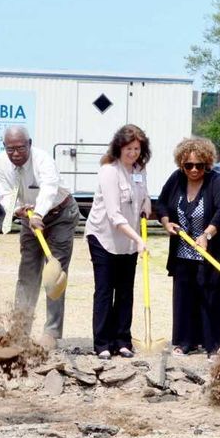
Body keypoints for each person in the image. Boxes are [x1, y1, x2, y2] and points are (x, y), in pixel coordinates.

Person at [0, 125, 79, 348]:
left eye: (20, 148)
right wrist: (16, 211)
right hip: (28, 216)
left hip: (60, 214)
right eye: (10, 149)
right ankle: (20, 330)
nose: (15, 153)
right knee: (27, 273)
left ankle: (51, 332)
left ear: (29, 144)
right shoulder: (2, 163)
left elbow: (49, 188)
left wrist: (39, 213)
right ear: (4, 147)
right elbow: (6, 194)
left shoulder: (43, 160)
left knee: (55, 274)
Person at [158, 137, 220, 356]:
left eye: (199, 165)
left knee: (211, 299)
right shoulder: (176, 179)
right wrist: (165, 222)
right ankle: (183, 342)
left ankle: (212, 345)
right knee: (184, 297)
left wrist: (207, 234)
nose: (193, 170)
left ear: (207, 163)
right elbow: (162, 203)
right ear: (182, 164)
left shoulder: (215, 181)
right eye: (188, 165)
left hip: (209, 252)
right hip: (182, 253)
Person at [86, 124, 151, 359]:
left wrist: (147, 205)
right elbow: (114, 216)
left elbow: (143, 196)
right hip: (104, 237)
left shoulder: (139, 169)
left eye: (137, 148)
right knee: (105, 290)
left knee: (125, 291)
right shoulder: (109, 171)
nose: (133, 153)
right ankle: (102, 343)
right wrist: (140, 240)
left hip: (129, 242)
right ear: (119, 147)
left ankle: (122, 340)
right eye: (128, 148)